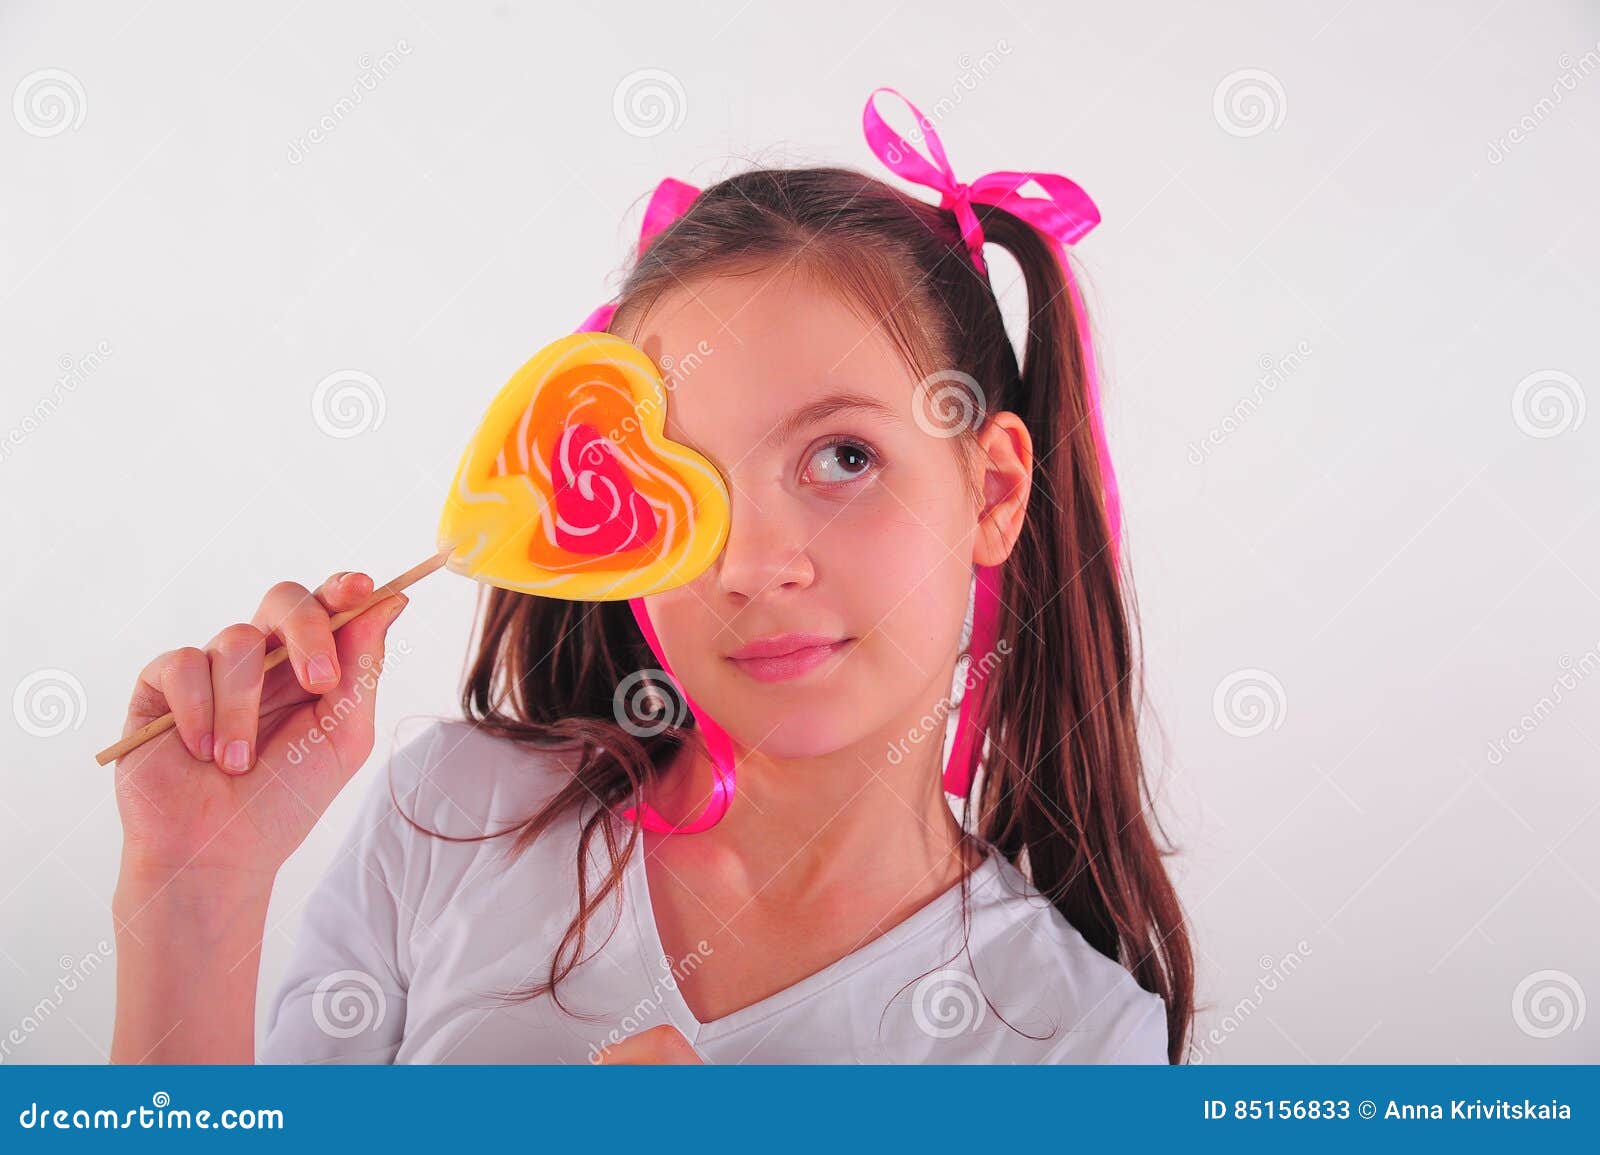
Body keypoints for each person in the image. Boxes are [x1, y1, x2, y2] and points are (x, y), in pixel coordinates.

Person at [110, 90, 1194, 1065]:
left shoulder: (1078, 1044)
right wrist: (195, 888)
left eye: (843, 457)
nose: (750, 564)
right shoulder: (447, 817)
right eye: (673, 481)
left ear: (992, 489)